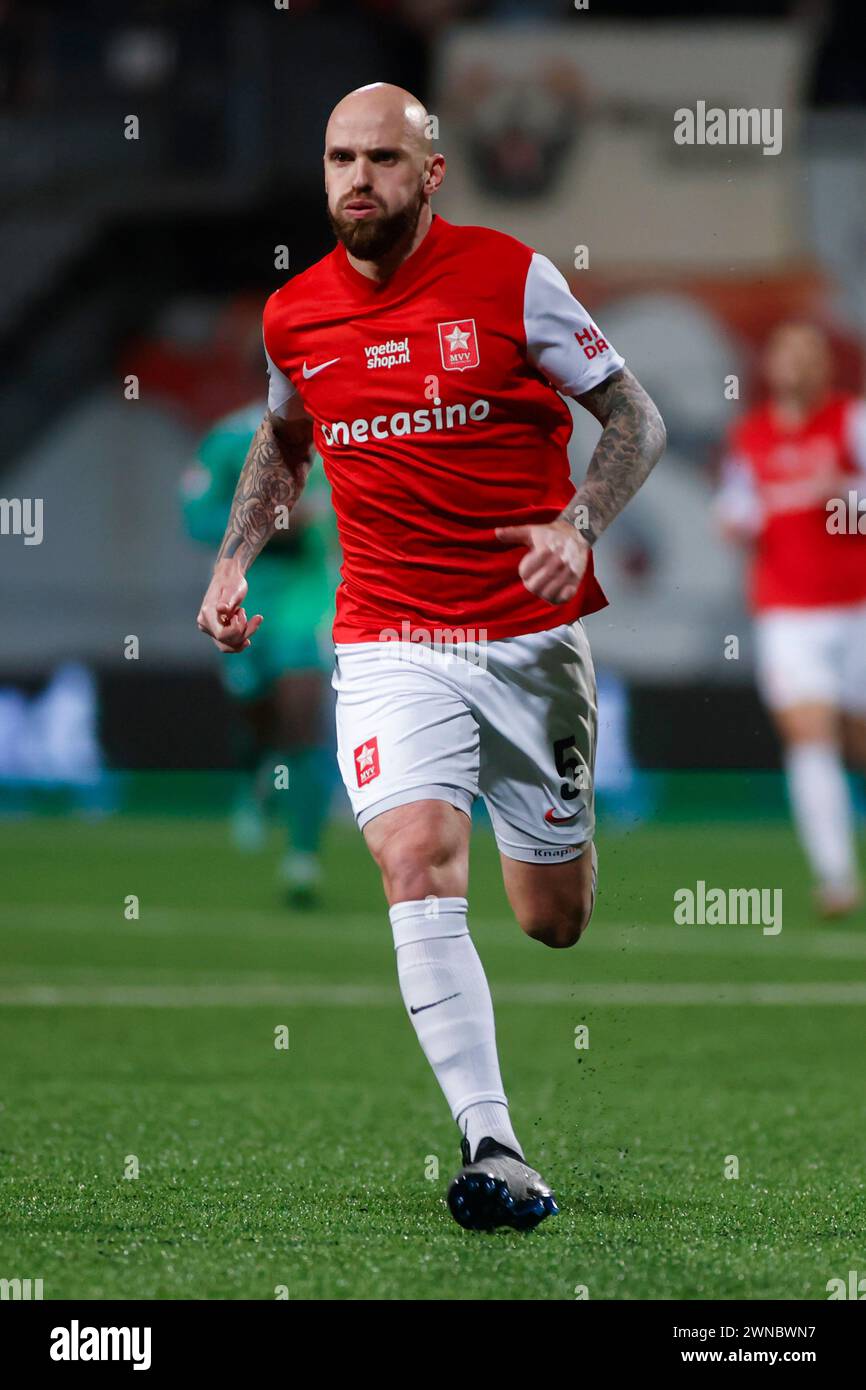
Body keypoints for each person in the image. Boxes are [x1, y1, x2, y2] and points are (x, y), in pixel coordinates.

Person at [196, 83, 665, 1231]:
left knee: (552, 917)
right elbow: (282, 438)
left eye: (380, 160)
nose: (356, 179)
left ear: (429, 172)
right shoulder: (293, 316)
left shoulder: (510, 277)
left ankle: (556, 834)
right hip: (388, 637)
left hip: (529, 643)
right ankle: (493, 1143)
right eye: (337, 158)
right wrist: (232, 561)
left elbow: (635, 419)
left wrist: (578, 527)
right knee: (414, 854)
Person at [717, 322, 866, 917]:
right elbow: (736, 508)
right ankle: (836, 879)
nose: (797, 366)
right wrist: (734, 520)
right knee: (807, 733)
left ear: (825, 367)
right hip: (786, 611)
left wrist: (844, 496)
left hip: (856, 606)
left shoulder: (851, 423)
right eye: (787, 354)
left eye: (809, 355)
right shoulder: (748, 438)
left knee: (856, 739)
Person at [182, 401, 337, 905]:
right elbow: (196, 516)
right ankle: (260, 774)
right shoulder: (229, 437)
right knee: (255, 716)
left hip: (308, 594)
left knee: (302, 715)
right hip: (244, 589)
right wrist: (269, 521)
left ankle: (302, 857)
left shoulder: (342, 420)